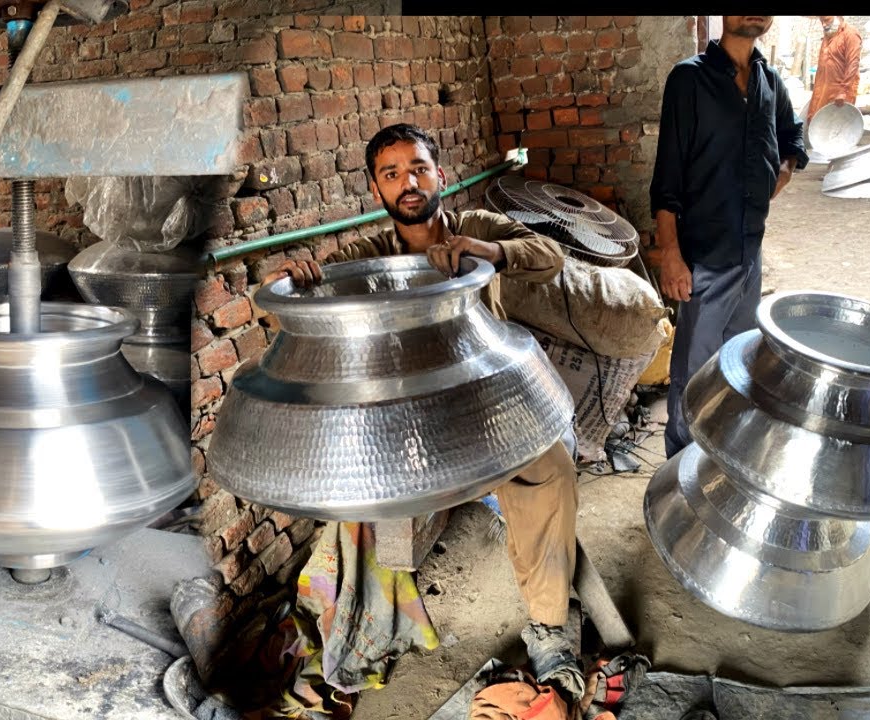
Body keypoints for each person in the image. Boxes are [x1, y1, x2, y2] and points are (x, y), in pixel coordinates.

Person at [264, 123, 586, 700]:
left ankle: (549, 625)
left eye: (418, 168)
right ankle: (373, 610)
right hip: (411, 421)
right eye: (391, 174)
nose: (407, 183)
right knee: (362, 499)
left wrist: (489, 252)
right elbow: (314, 300)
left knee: (550, 471)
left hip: (487, 400)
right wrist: (300, 285)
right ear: (377, 189)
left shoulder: (477, 228)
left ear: (440, 174)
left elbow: (550, 254)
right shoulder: (367, 255)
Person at [650, 16, 808, 458]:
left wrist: (784, 170)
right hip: (704, 255)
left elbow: (793, 134)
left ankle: (720, 459)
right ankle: (680, 469)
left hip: (749, 253)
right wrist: (671, 254)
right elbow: (668, 176)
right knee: (692, 370)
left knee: (738, 362)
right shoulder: (689, 80)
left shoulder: (769, 81)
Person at [807, 15, 863, 121]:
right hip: (823, 90)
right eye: (821, 21)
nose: (824, 24)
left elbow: (853, 64)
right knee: (816, 120)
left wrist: (843, 91)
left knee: (837, 125)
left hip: (840, 93)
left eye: (827, 20)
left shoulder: (850, 34)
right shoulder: (828, 36)